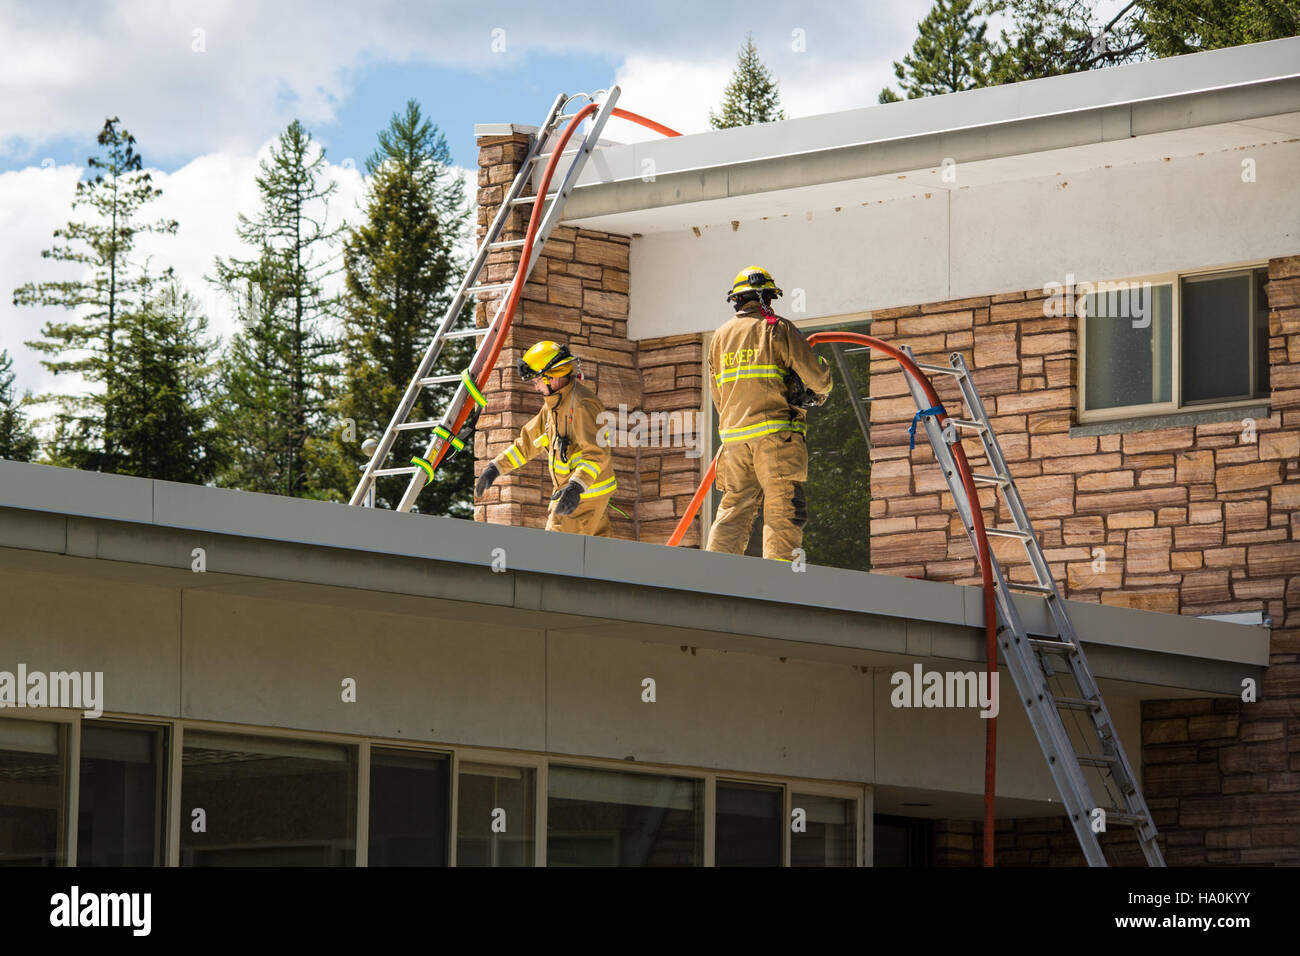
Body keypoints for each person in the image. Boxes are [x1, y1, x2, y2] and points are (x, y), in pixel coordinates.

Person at [706, 266, 832, 562]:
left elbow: (717, 396)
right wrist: (822, 379)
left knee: (733, 510)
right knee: (783, 510)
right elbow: (816, 379)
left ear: (737, 300)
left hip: (734, 440)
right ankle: (781, 583)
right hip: (775, 436)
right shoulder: (776, 328)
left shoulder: (719, 338)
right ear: (766, 298)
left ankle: (712, 575)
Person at [474, 340, 616, 536]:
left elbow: (597, 453)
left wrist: (575, 488)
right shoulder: (554, 404)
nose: (536, 387)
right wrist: (495, 468)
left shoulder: (582, 405)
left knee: (557, 555)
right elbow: (527, 443)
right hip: (581, 494)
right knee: (596, 557)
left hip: (581, 497)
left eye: (537, 380)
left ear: (552, 377)